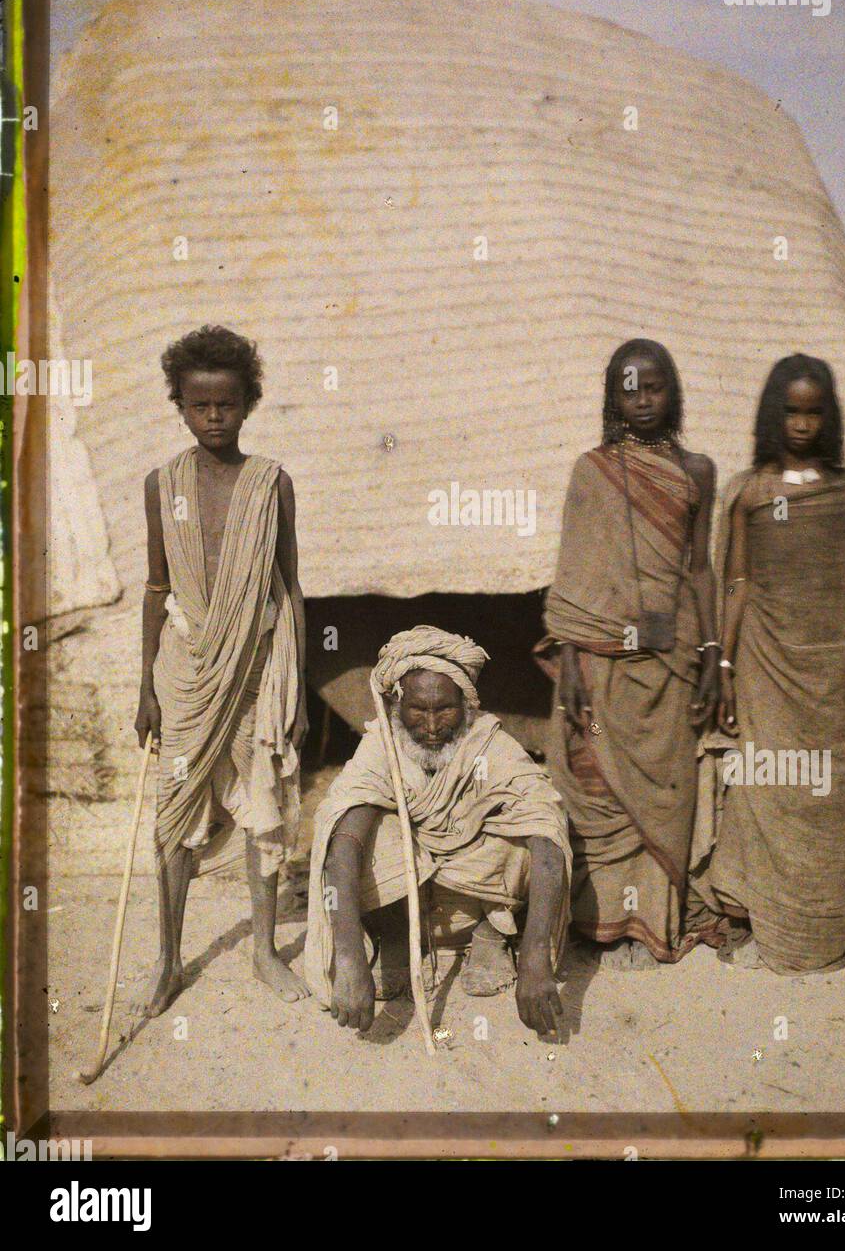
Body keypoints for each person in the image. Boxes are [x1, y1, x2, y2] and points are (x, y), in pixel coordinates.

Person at [133, 325, 309, 1014]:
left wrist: (296, 692)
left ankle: (265, 952)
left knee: (264, 809)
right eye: (200, 405)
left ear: (248, 404)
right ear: (179, 405)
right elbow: (156, 588)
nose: (214, 418)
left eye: (227, 405)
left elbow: (290, 589)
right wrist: (144, 688)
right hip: (184, 673)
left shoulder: (271, 484)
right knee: (176, 813)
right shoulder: (163, 484)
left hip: (255, 672)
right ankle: (168, 960)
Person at [535, 339, 725, 968]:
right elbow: (575, 570)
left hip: (670, 657)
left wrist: (714, 654)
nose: (643, 400)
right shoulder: (592, 470)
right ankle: (600, 922)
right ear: (612, 398)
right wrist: (568, 659)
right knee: (595, 781)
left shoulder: (698, 470)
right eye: (629, 388)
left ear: (674, 393)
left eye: (654, 387)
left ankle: (651, 924)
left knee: (665, 789)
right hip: (598, 656)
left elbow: (700, 567)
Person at [304, 626, 571, 1036]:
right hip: (407, 897)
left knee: (537, 828)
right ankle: (395, 935)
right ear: (397, 704)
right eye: (417, 710)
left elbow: (548, 833)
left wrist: (536, 957)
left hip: (476, 896)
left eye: (444, 709)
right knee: (354, 827)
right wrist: (349, 954)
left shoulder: (489, 744)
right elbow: (341, 841)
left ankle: (491, 934)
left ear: (467, 703)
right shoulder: (383, 744)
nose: (431, 725)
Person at [708, 354, 845, 973]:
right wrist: (724, 665)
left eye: (813, 413)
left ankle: (816, 932)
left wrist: (837, 662)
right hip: (767, 665)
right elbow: (738, 581)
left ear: (829, 418)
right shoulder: (751, 492)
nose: (802, 425)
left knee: (826, 796)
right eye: (791, 412)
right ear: (771, 416)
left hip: (832, 678)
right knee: (766, 788)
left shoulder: (842, 492)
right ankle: (756, 915)